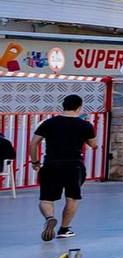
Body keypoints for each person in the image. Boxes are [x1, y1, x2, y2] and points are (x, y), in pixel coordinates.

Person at [31, 94, 97, 241]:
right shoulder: (85, 125)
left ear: (63, 105)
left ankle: (49, 218)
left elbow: (33, 143)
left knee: (46, 199)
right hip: (74, 166)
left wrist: (35, 162)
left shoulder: (49, 123)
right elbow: (94, 145)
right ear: (79, 108)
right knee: (72, 198)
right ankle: (64, 229)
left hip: (51, 164)